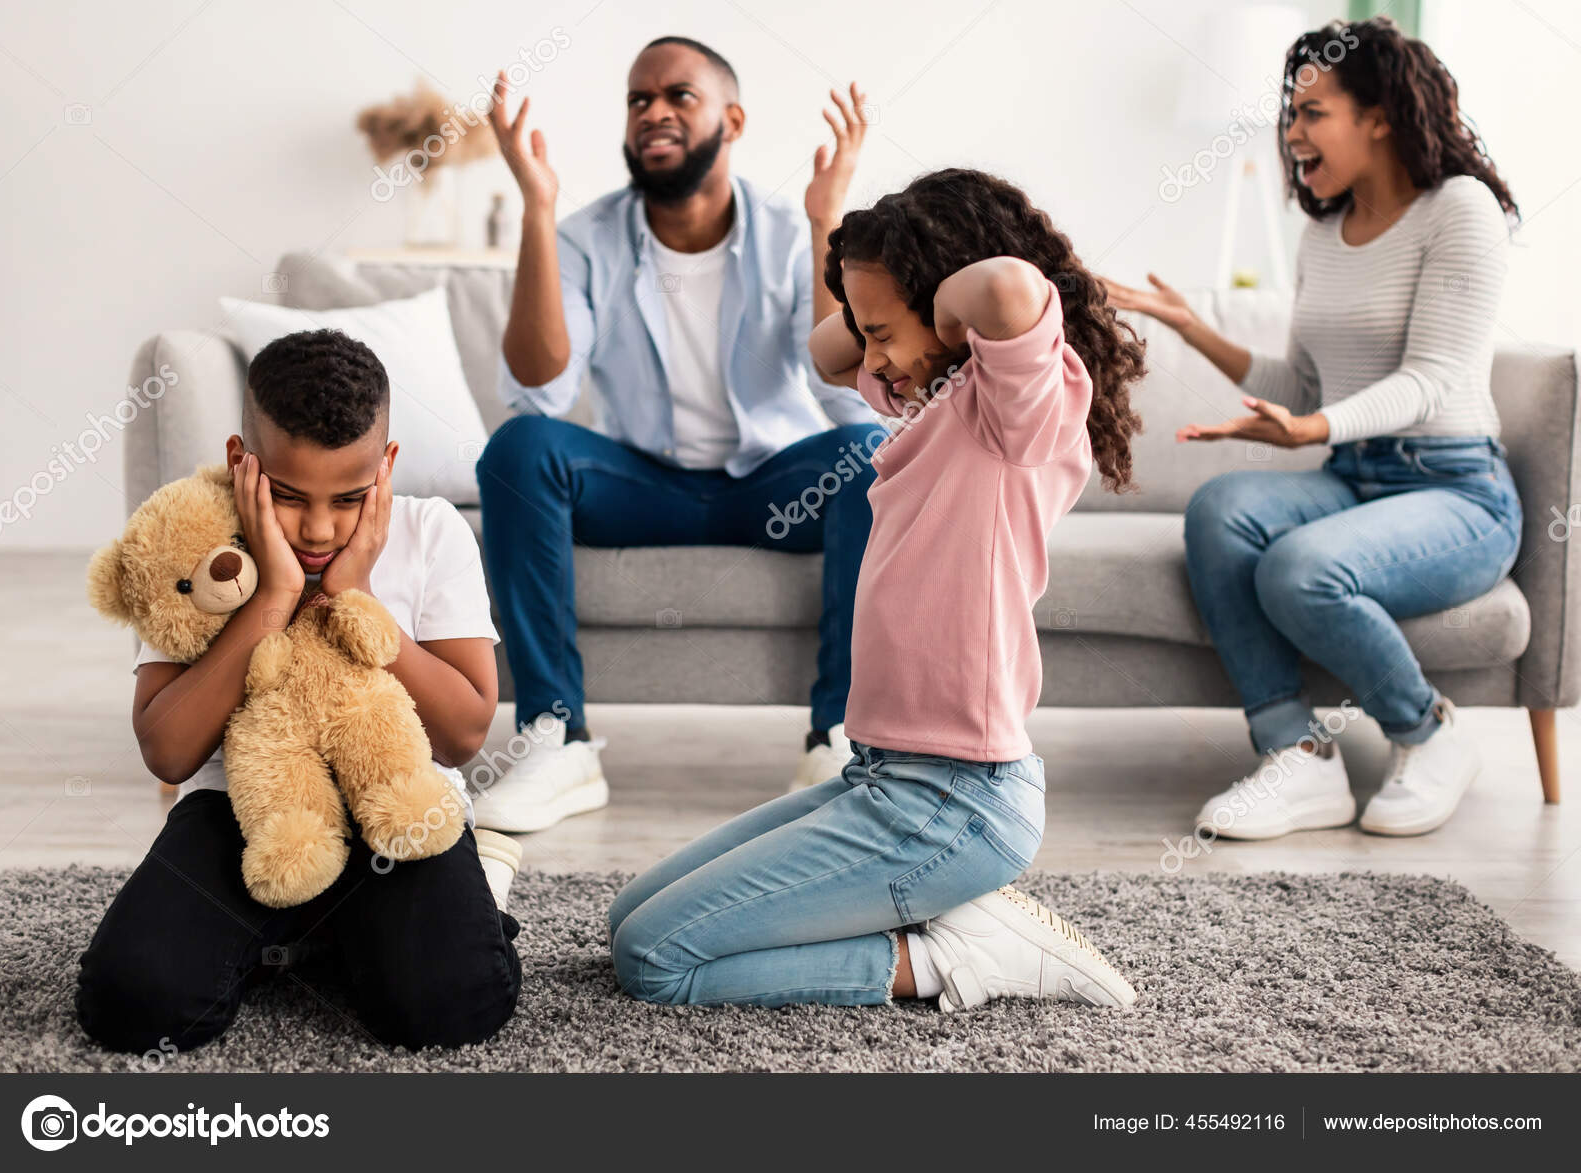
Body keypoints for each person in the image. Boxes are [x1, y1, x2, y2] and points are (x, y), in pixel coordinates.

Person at [607, 170, 1145, 1011]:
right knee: (628, 916)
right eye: (874, 335)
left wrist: (927, 291)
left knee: (655, 960)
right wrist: (878, 303)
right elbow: (826, 347)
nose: (875, 355)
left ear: (944, 313)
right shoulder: (937, 398)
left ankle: (955, 960)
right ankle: (939, 914)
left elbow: (1005, 286)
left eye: (888, 332)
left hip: (957, 798)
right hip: (884, 776)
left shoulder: (1018, 413)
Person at [1103, 17, 1521, 839]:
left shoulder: (1458, 211)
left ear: (1381, 115)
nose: (1291, 132)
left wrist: (1314, 427)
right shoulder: (1323, 235)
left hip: (1457, 488)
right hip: (1356, 477)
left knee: (1300, 566)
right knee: (1220, 510)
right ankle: (1298, 756)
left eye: (1311, 111)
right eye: (1288, 113)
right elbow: (1298, 385)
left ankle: (1429, 733)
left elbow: (1432, 379)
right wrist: (1192, 327)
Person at [474, 36, 883, 831]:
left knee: (870, 457)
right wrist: (536, 208)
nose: (653, 112)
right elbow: (540, 389)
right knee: (519, 451)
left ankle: (838, 739)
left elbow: (852, 401)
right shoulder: (585, 235)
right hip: (645, 488)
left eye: (677, 97)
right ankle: (557, 739)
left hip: (777, 489)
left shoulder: (789, 229)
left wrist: (829, 223)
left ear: (731, 119)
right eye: (638, 100)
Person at [76, 330, 519, 1054]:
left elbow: (464, 733)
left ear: (388, 466)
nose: (318, 528)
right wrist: (273, 596)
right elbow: (168, 749)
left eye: (349, 498)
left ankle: (421, 905)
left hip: (393, 804)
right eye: (286, 496)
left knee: (449, 1007)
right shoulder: (197, 538)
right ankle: (313, 930)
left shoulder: (432, 531)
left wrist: (357, 595)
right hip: (244, 806)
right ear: (238, 462)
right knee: (131, 1003)